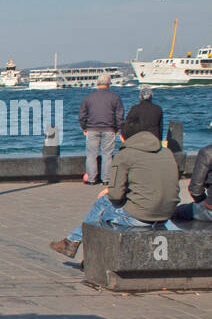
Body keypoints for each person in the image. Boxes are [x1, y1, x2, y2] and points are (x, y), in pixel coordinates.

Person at [51, 113, 179, 258]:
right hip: (167, 213)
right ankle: (73, 242)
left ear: (122, 137)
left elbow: (115, 196)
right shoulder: (166, 152)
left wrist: (111, 191)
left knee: (103, 205)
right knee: (104, 206)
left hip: (140, 216)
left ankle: (76, 244)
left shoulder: (125, 155)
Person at [78, 74, 123, 184]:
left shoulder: (89, 98)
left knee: (91, 155)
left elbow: (82, 116)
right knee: (107, 154)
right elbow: (119, 115)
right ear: (109, 83)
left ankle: (91, 179)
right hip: (109, 128)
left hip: (92, 129)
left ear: (97, 83)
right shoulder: (115, 97)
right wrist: (118, 128)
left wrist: (84, 127)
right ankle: (106, 179)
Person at [173, 143, 212, 224]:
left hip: (210, 210)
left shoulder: (207, 152)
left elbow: (195, 190)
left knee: (176, 212)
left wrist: (202, 201)